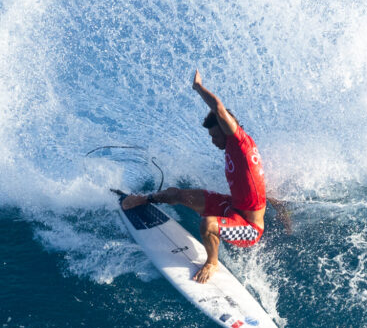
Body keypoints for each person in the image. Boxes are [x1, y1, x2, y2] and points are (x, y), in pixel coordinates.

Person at [122, 71, 290, 283]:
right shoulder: (235, 148)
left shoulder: (239, 144)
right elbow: (259, 187)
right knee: (177, 194)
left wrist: (198, 88)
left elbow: (219, 109)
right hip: (232, 206)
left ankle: (212, 263)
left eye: (214, 136)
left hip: (249, 228)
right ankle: (144, 199)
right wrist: (282, 210)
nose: (212, 141)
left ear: (226, 129)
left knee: (208, 225)